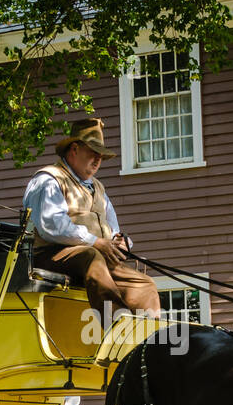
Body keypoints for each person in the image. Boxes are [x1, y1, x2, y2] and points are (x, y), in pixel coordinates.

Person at [22, 118, 161, 320]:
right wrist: (95, 242)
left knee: (144, 284)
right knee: (91, 257)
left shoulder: (98, 188)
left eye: (101, 156)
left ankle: (149, 342)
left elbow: (112, 228)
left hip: (93, 256)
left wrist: (120, 242)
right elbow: (52, 226)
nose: (98, 160)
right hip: (50, 255)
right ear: (74, 149)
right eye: (92, 153)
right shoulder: (48, 179)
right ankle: (118, 328)